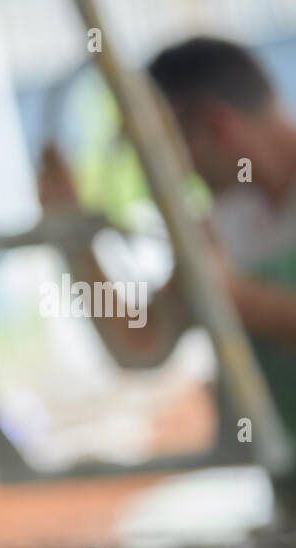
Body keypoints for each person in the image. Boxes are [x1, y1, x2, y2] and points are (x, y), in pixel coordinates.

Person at [38, 35, 296, 509]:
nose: (172, 171)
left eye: (167, 146)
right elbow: (140, 345)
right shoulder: (224, 221)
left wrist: (233, 298)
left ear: (217, 126)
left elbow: (224, 296)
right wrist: (73, 235)